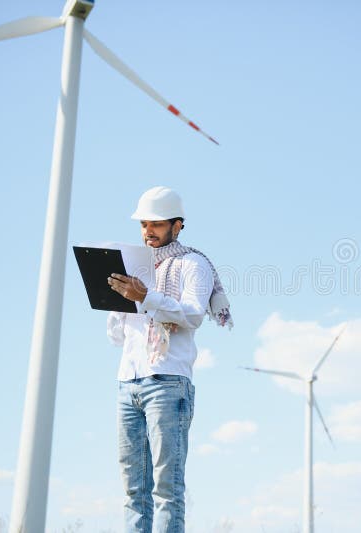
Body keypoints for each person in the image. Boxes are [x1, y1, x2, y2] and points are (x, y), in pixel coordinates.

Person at [105, 186, 232, 532]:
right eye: (144, 224)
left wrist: (147, 296)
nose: (149, 231)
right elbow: (117, 338)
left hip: (167, 383)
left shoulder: (194, 265)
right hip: (127, 382)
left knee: (166, 489)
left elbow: (192, 315)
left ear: (178, 226)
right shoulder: (136, 267)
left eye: (157, 224)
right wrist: (119, 300)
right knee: (134, 491)